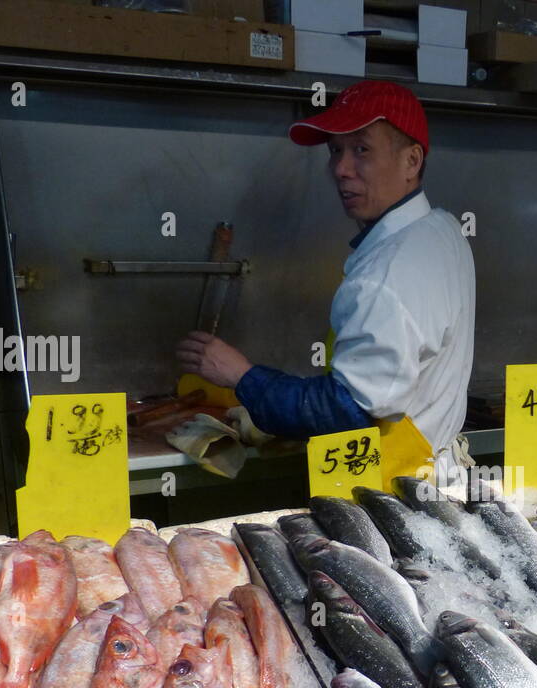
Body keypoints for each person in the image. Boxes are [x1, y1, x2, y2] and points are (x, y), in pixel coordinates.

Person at [175, 80, 476, 481]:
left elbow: (345, 411)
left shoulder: (390, 270)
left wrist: (241, 376)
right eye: (336, 150)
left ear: (411, 161)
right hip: (427, 476)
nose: (340, 169)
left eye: (362, 150)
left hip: (390, 494)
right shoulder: (441, 229)